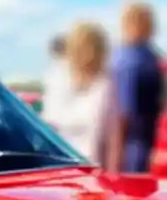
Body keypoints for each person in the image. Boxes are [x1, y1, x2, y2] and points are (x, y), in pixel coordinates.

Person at [42, 22, 114, 164]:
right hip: (62, 166)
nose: (88, 54)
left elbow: (111, 136)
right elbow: (50, 123)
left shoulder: (106, 83)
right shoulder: (59, 77)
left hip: (90, 167)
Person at [108, 0, 164, 173]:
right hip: (145, 144)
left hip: (127, 147)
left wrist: (114, 158)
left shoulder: (126, 59)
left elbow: (124, 112)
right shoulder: (152, 57)